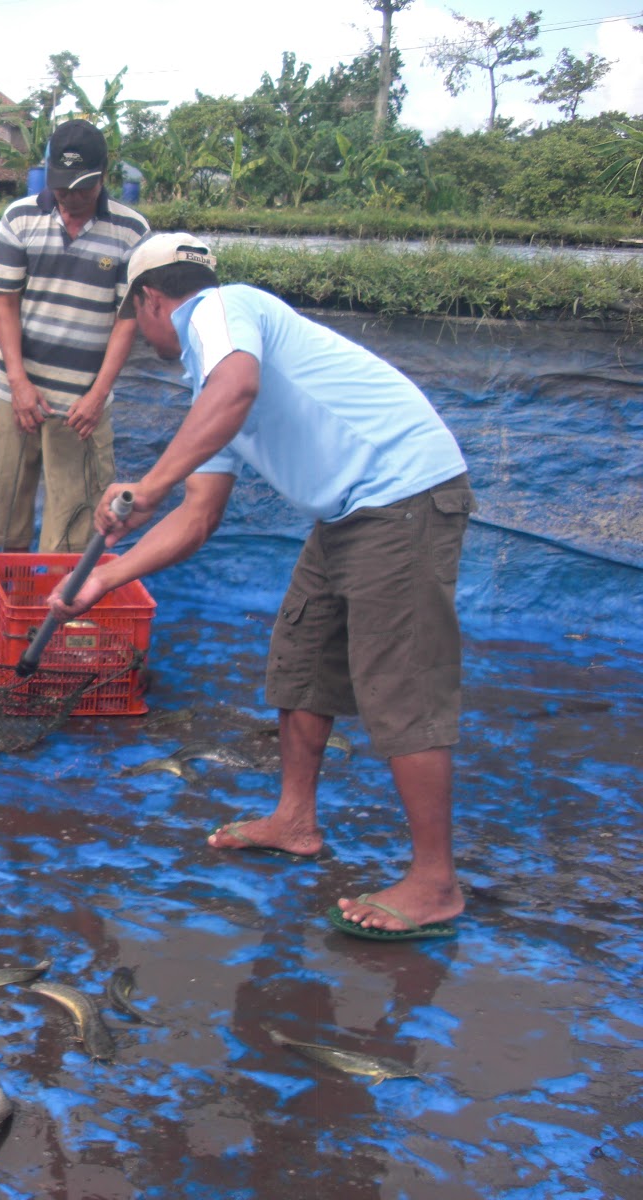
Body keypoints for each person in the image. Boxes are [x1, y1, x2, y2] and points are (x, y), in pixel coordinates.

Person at [48, 233, 475, 942]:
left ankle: (435, 881)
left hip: (403, 497)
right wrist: (102, 578)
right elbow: (200, 515)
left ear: (152, 300)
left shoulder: (222, 311)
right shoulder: (213, 385)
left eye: (138, 312)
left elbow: (235, 392)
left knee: (401, 685)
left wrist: (145, 486)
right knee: (302, 658)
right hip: (348, 512)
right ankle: (295, 820)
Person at [0, 118, 149, 554]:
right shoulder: (20, 216)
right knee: (1, 509)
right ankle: (6, 602)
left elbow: (127, 320)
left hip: (82, 406)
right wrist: (18, 383)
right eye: (62, 189)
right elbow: (5, 302)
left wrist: (97, 394)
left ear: (103, 177)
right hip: (16, 394)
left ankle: (56, 615)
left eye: (82, 190)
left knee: (75, 521)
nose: (70, 199)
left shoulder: (133, 231)